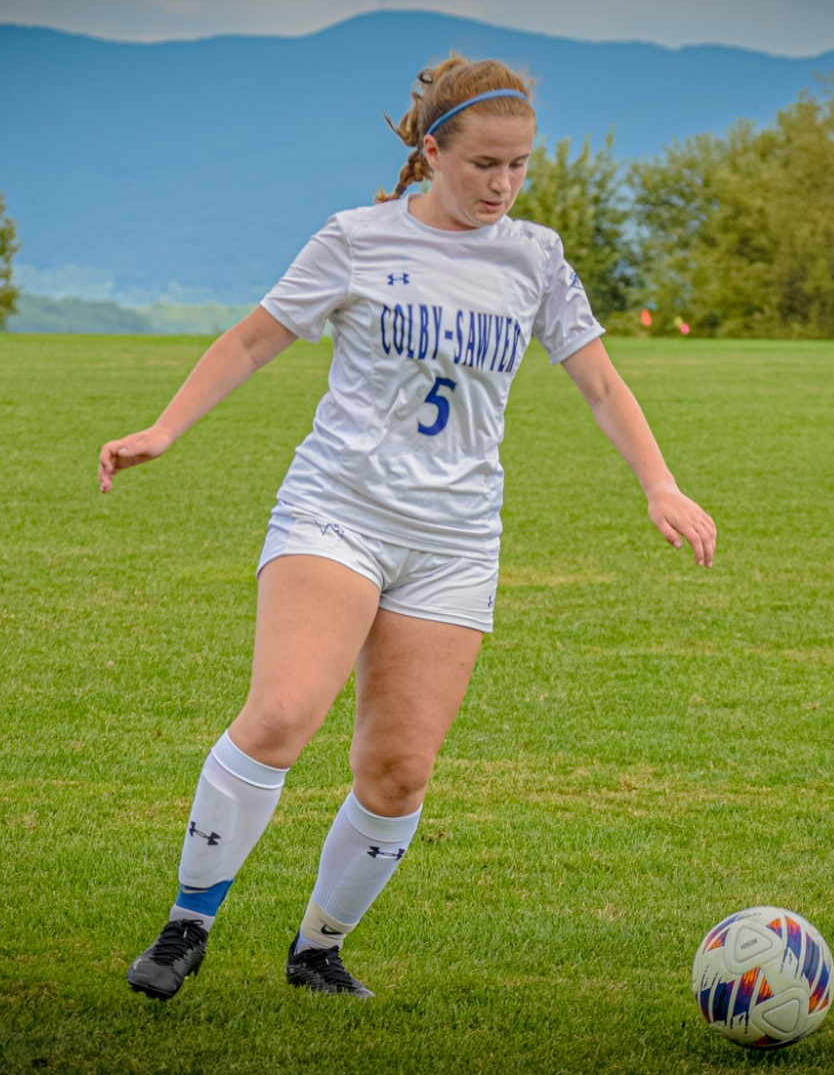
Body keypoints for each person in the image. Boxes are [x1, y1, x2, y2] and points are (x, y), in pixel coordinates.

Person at [97, 55, 717, 1000]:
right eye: (483, 164)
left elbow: (597, 379)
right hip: (337, 512)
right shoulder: (354, 240)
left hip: (456, 541)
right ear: (432, 152)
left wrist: (660, 483)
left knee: (398, 770)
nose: (502, 186)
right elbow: (255, 338)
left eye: (519, 167)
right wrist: (163, 429)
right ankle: (189, 923)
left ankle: (318, 948)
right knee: (281, 714)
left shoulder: (536, 258)